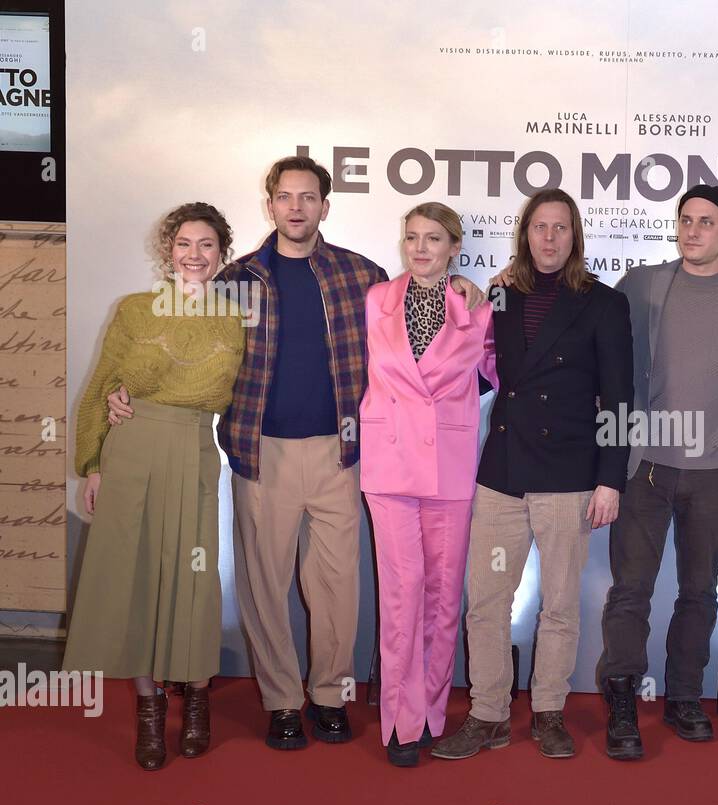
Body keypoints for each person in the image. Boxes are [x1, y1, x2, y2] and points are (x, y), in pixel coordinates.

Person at [107, 156, 485, 751]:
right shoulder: (235, 280)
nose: (296, 208)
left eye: (308, 198)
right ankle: (283, 701)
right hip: (262, 455)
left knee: (337, 587)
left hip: (342, 452)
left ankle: (330, 697)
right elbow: (181, 350)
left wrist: (463, 284)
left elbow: (426, 311)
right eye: (285, 197)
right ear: (270, 205)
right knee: (266, 586)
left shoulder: (362, 277)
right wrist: (125, 392)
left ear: (325, 207)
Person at [432, 188, 633, 760]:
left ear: (575, 237)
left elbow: (620, 398)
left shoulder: (602, 303)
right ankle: (489, 714)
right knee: (487, 601)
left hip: (570, 474)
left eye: (560, 228)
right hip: (502, 471)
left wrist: (610, 479)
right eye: (539, 227)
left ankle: (548, 711)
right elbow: (470, 357)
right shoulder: (501, 295)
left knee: (561, 605)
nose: (549, 238)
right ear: (525, 234)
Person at [595, 184, 718, 759]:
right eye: (685, 220)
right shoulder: (643, 284)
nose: (692, 231)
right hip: (646, 466)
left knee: (699, 594)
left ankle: (683, 697)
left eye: (706, 222)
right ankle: (622, 698)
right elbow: (594, 333)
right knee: (630, 592)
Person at [65, 202, 245, 770]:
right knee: (135, 575)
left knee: (193, 579)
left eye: (207, 245)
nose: (194, 255)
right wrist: (93, 462)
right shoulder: (135, 311)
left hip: (194, 450)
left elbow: (222, 392)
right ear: (167, 251)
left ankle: (195, 699)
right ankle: (148, 709)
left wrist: (153, 386)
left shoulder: (235, 317)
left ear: (222, 255)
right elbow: (102, 386)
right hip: (131, 448)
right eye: (184, 244)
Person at [360, 202, 496, 767]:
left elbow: (502, 374)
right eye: (412, 237)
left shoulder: (476, 307)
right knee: (402, 592)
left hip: (450, 464)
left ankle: (433, 711)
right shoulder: (377, 300)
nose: (420, 248)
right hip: (389, 465)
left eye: (433, 239)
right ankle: (401, 721)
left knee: (443, 597)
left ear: (453, 247)